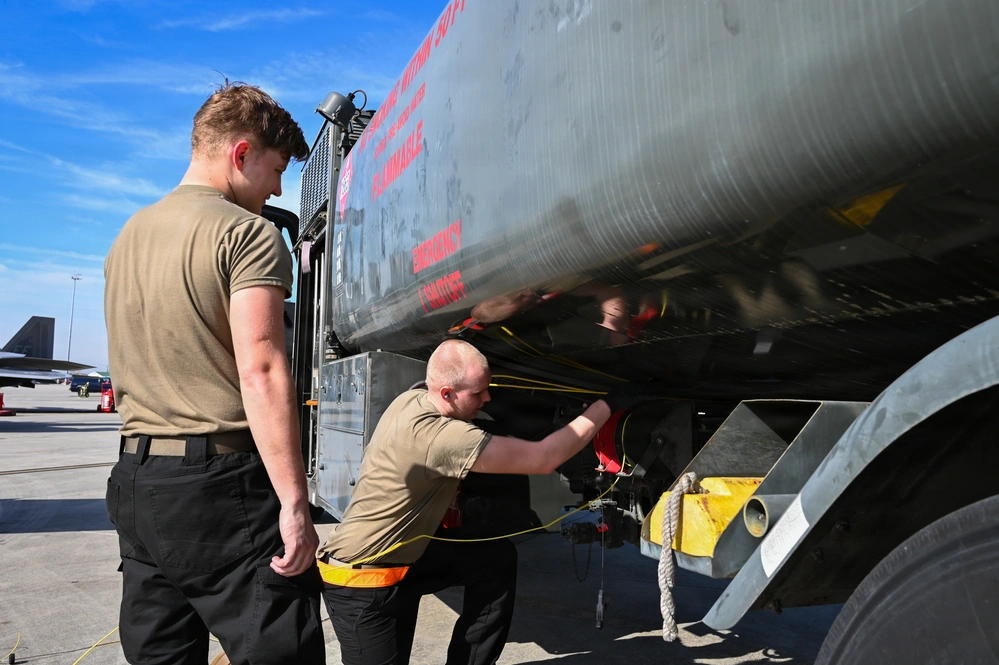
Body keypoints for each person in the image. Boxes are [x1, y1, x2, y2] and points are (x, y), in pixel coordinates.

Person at [103, 84, 325, 665]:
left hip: (136, 480)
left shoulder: (127, 236)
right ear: (241, 152)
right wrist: (296, 505)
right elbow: (262, 369)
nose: (279, 188)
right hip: (221, 489)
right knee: (281, 647)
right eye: (276, 170)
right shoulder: (246, 234)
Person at [319, 339, 651, 665]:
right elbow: (544, 458)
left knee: (495, 560)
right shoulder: (443, 437)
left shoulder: (412, 399)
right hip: (362, 582)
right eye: (477, 393)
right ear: (446, 393)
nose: (487, 398)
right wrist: (607, 406)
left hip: (405, 558)